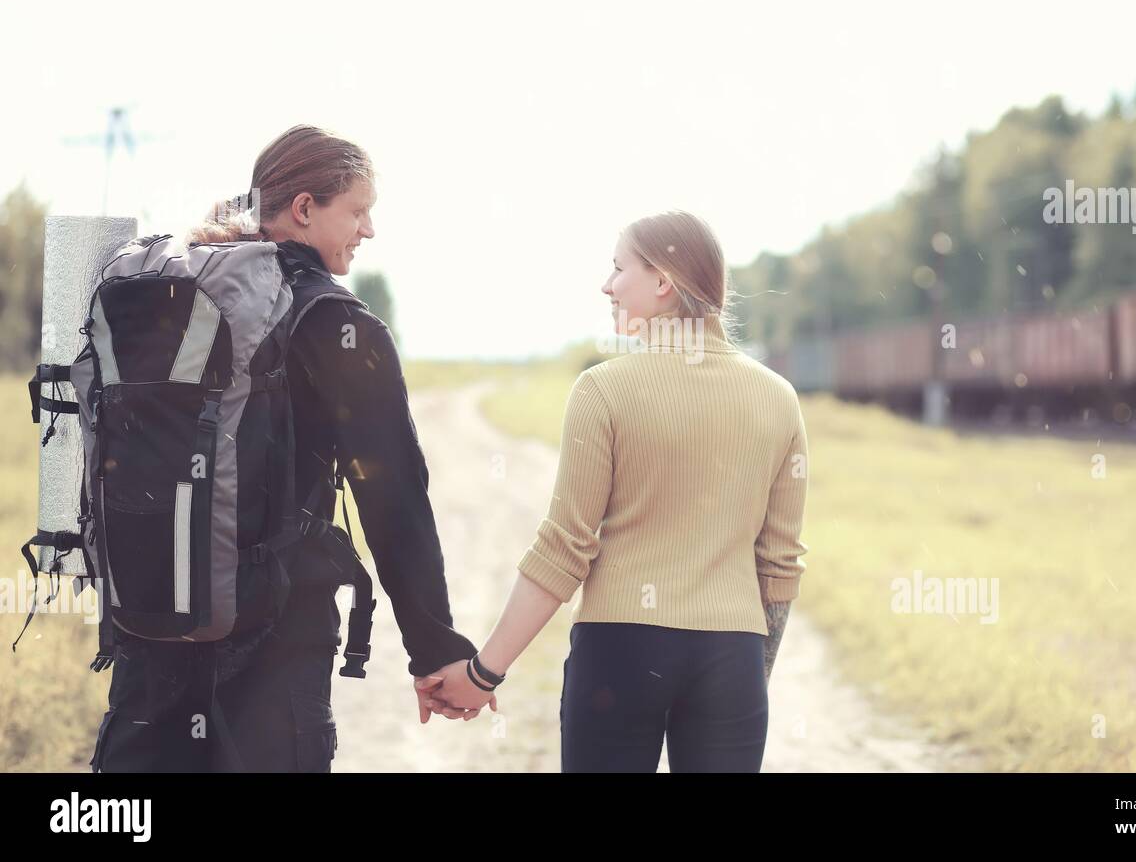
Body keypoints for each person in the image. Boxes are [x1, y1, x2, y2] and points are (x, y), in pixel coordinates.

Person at [91, 125, 483, 773]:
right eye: (358, 211)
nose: (369, 230)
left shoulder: (171, 288)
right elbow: (392, 500)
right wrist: (435, 648)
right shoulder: (336, 320)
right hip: (277, 633)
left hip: (152, 620)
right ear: (304, 208)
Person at [417, 210, 809, 772]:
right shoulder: (779, 398)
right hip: (731, 657)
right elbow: (779, 564)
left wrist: (483, 674)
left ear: (663, 282)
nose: (607, 285)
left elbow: (565, 548)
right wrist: (749, 674)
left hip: (620, 652)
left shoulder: (603, 390)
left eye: (618, 268)